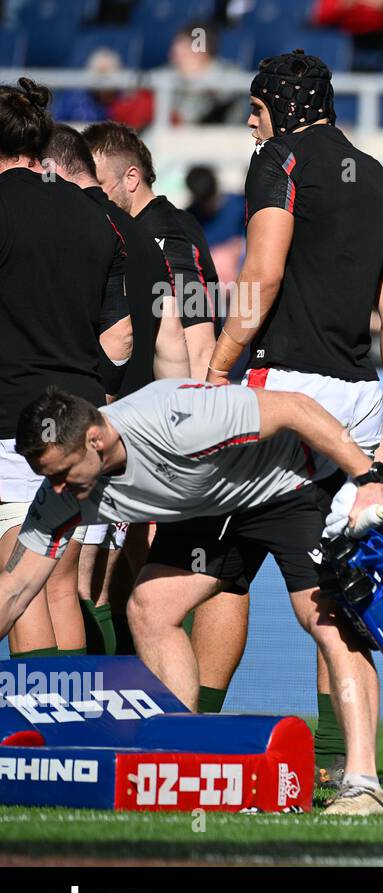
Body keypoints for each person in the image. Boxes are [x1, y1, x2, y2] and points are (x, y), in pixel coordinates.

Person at [188, 50, 383, 796]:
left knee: (220, 566)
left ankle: (195, 737)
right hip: (358, 398)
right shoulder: (378, 176)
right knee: (330, 578)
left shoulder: (280, 159)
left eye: (257, 111)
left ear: (283, 109)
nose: (250, 126)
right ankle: (342, 756)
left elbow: (260, 276)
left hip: (285, 391)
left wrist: (218, 368)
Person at [0, 380, 383, 818]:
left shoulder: (177, 418)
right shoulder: (60, 496)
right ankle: (182, 766)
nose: (55, 489)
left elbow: (295, 407)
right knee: (151, 607)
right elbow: (13, 589)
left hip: (290, 487)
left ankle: (363, 784)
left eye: (62, 473)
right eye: (47, 477)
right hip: (210, 507)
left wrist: (369, 479)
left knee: (325, 621)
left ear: (96, 440)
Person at [42, 124, 191, 657]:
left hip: (98, 427)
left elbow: (121, 334)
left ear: (51, 170)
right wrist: (179, 419)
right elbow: (170, 335)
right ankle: (114, 695)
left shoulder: (82, 229)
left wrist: (94, 410)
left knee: (72, 583)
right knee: (98, 581)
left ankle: (82, 701)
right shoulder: (140, 235)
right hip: (136, 429)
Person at [0, 79, 129, 659]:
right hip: (82, 418)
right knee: (58, 584)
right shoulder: (95, 216)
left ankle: (37, 714)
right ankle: (72, 715)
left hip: (14, 422)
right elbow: (118, 335)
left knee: (18, 579)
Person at [82, 121, 222, 380]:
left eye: (98, 184)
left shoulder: (167, 232)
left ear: (131, 178)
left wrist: (193, 404)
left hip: (169, 397)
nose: (90, 196)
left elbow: (199, 344)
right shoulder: (128, 230)